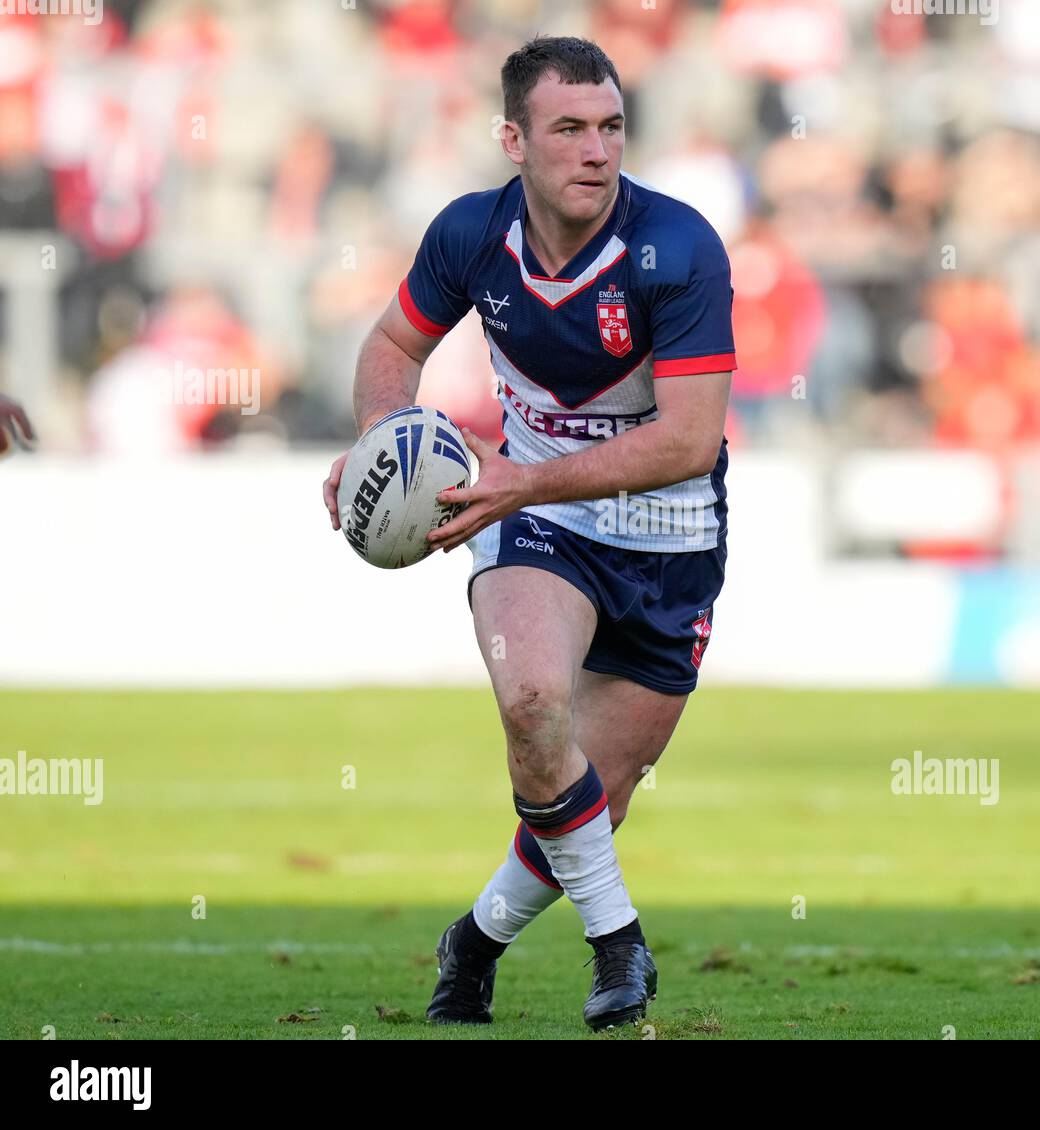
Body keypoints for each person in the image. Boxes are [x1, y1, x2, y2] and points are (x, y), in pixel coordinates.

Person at [322, 35, 735, 1030]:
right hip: (535, 520)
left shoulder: (677, 246)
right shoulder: (470, 234)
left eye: (612, 127)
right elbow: (391, 345)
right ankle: (618, 942)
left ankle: (473, 942)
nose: (597, 150)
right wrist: (385, 440)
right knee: (534, 704)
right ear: (513, 141)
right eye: (569, 129)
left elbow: (687, 441)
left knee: (595, 796)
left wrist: (522, 479)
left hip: (670, 536)